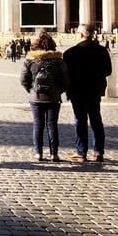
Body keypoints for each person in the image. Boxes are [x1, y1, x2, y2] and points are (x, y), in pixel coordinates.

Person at [63, 24, 112, 163]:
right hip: (95, 90)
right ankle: (98, 152)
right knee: (96, 120)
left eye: (77, 33)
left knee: (80, 121)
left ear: (82, 35)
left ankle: (81, 152)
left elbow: (66, 75)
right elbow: (108, 71)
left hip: (77, 91)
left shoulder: (70, 53)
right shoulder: (102, 51)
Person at [20, 31, 70, 162]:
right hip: (53, 97)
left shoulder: (30, 60)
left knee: (38, 124)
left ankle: (38, 153)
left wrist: (31, 90)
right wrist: (58, 91)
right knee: (52, 125)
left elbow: (23, 79)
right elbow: (65, 80)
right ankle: (54, 154)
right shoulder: (58, 60)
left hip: (36, 96)